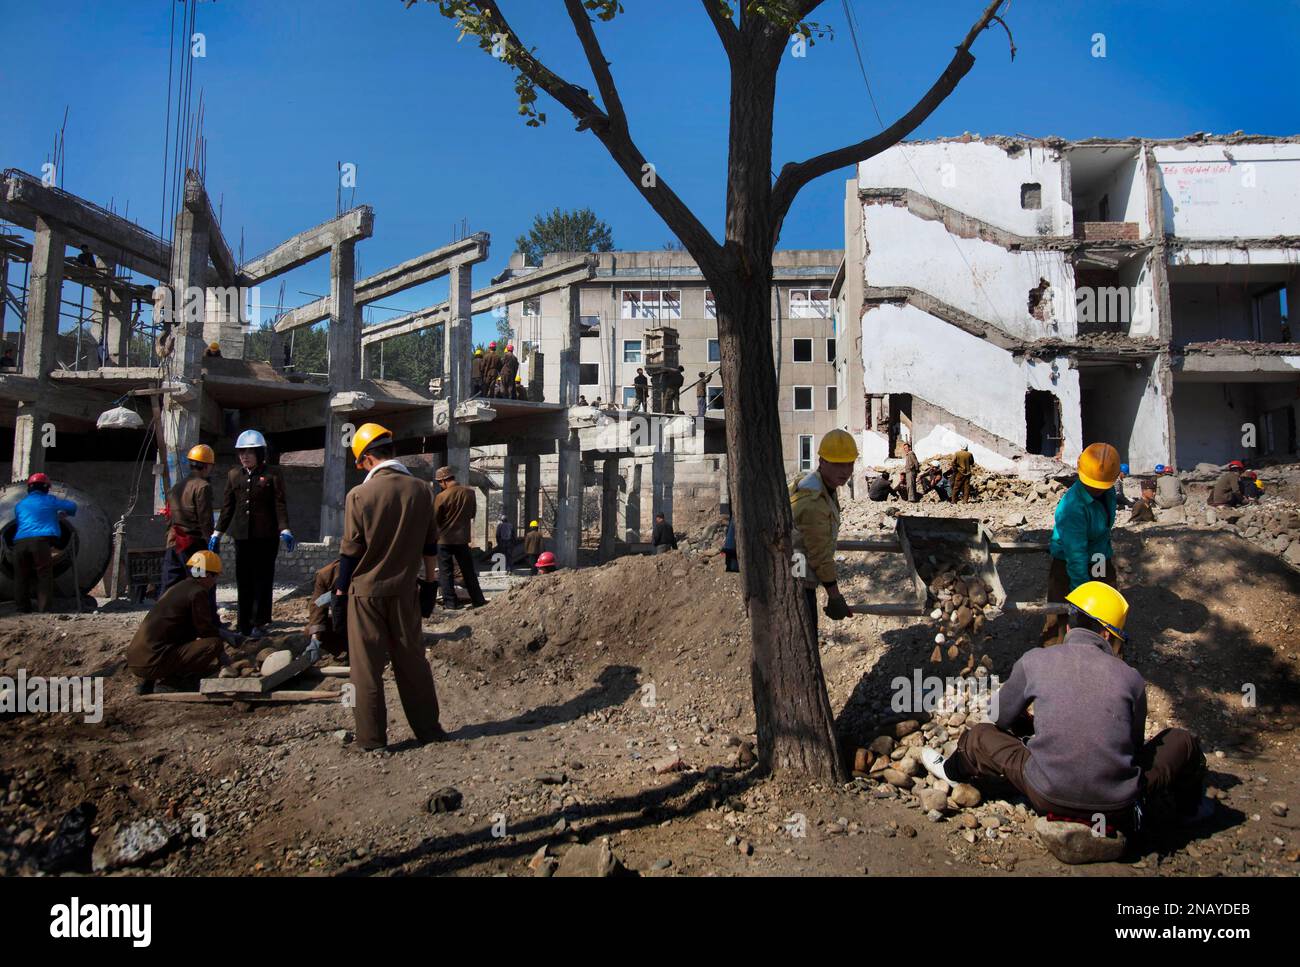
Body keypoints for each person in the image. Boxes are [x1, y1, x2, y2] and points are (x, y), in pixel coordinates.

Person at [922, 582, 1209, 836]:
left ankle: (951, 771)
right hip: (1118, 803)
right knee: (1182, 741)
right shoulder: (1130, 677)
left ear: (1070, 628)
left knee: (980, 735)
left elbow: (998, 717)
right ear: (1108, 636)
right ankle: (1189, 812)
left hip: (1047, 793)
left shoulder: (1035, 660)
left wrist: (1031, 729)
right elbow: (1132, 749)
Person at [332, 423, 445, 750]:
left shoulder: (359, 495)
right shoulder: (423, 490)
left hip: (366, 594)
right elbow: (430, 548)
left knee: (366, 670)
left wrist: (340, 593)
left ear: (367, 459)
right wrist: (431, 586)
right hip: (406, 591)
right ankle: (429, 731)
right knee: (413, 663)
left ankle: (371, 739)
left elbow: (350, 552)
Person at [212, 430, 293, 639]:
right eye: (241, 452)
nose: (244, 456)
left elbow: (279, 504)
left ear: (259, 453)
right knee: (244, 579)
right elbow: (227, 507)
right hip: (242, 537)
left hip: (266, 537)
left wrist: (284, 529)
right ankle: (243, 623)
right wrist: (217, 532)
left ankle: (260, 622)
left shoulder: (273, 473)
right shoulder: (233, 475)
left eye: (249, 452)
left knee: (263, 579)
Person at [1041, 442, 1119, 647]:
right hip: (1067, 560)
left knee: (1106, 610)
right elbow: (1076, 558)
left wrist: (1100, 589)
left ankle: (1109, 659)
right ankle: (1053, 661)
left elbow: (1103, 532)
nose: (1097, 490)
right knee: (1061, 615)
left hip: (1099, 555)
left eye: (1101, 486)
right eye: (1093, 485)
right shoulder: (1072, 508)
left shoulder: (1107, 492)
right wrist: (1082, 599)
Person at [128, 550, 230, 694]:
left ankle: (148, 682)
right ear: (207, 574)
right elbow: (205, 631)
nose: (214, 582)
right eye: (215, 577)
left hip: (137, 660)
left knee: (180, 637)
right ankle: (172, 683)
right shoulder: (198, 592)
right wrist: (225, 639)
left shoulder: (178, 588)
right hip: (152, 662)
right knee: (213, 644)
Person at [790, 429, 857, 634]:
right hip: (796, 576)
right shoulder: (813, 502)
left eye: (849, 464)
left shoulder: (820, 484)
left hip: (797, 570)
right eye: (838, 464)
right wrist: (834, 596)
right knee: (804, 636)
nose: (845, 470)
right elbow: (819, 556)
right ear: (822, 461)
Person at [12, 473, 76, 613]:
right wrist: (61, 514)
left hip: (19, 542)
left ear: (29, 488)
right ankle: (44, 609)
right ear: (46, 487)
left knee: (21, 576)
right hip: (40, 542)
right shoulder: (49, 500)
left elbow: (22, 521)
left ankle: (22, 608)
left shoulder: (20, 504)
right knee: (44, 574)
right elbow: (72, 506)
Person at [161, 444, 216, 594]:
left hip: (174, 543)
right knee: (203, 585)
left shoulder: (176, 487)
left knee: (170, 586)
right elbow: (205, 520)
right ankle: (207, 617)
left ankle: (164, 616)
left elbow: (169, 518)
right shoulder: (203, 487)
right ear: (207, 466)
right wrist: (210, 545)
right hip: (194, 545)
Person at [433, 464, 487, 609]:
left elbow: (434, 519)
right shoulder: (470, 493)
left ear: (444, 480)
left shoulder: (441, 496)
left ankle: (450, 603)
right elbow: (472, 514)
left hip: (444, 540)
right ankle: (478, 600)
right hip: (462, 539)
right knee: (468, 570)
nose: (440, 485)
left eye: (439, 482)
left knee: (446, 572)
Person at [305, 559, 347, 664]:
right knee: (311, 630)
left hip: (364, 623)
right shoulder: (326, 575)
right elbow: (317, 607)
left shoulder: (368, 570)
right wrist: (315, 639)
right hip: (342, 621)